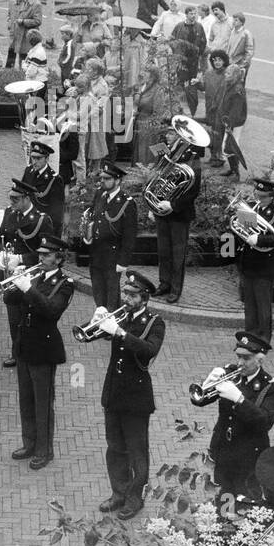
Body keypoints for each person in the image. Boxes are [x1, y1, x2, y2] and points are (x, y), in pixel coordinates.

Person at [92, 271, 165, 520]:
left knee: (137, 451)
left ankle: (135, 497)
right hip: (114, 392)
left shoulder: (155, 322)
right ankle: (118, 492)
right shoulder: (120, 316)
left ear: (144, 298)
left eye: (132, 295)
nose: (126, 298)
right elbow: (95, 334)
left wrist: (121, 333)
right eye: (125, 293)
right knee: (114, 447)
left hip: (136, 396)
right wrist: (98, 323)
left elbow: (149, 350)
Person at [9, 234, 72, 469]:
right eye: (40, 254)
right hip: (24, 344)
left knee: (43, 402)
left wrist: (28, 288)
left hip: (44, 347)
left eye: (46, 255)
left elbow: (51, 310)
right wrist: (14, 279)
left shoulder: (64, 284)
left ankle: (44, 450)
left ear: (59, 258)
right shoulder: (34, 276)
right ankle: (29, 443)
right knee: (26, 398)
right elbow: (8, 299)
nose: (41, 258)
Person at [206, 330, 274, 499]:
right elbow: (199, 400)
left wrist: (239, 400)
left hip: (249, 456)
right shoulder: (230, 373)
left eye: (246, 358)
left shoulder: (271, 387)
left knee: (246, 501)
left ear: (259, 360)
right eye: (238, 357)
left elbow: (265, 422)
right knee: (223, 497)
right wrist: (207, 384)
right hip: (224, 449)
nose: (240, 363)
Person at [0, 179, 53, 368]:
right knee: (13, 316)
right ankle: (17, 352)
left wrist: (21, 259)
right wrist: (1, 253)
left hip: (30, 276)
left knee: (28, 316)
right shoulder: (9, 213)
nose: (11, 203)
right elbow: (0, 239)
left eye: (16, 199)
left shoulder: (42, 220)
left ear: (27, 198)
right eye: (10, 198)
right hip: (9, 273)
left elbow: (47, 253)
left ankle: (31, 352)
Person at [236, 178, 274, 343]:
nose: (258, 199)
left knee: (262, 304)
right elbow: (241, 231)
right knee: (249, 304)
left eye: (262, 196)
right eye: (257, 195)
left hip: (264, 265)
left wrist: (259, 240)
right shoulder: (251, 209)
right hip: (248, 263)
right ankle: (250, 335)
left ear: (271, 197)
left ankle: (264, 338)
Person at [151, 131, 201, 304]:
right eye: (168, 133)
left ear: (181, 137)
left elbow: (193, 190)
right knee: (163, 250)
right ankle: (164, 283)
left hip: (179, 213)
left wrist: (173, 205)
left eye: (172, 134)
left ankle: (175, 289)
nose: (167, 136)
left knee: (177, 253)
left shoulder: (191, 157)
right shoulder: (164, 152)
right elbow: (157, 179)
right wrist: (153, 206)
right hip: (161, 210)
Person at [86, 161, 137, 312]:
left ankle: (112, 322)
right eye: (101, 178)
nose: (102, 181)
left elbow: (130, 235)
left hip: (113, 254)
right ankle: (100, 317)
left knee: (112, 291)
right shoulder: (100, 194)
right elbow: (92, 216)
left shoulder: (127, 202)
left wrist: (123, 261)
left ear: (117, 180)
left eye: (107, 179)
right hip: (96, 251)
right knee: (97, 287)